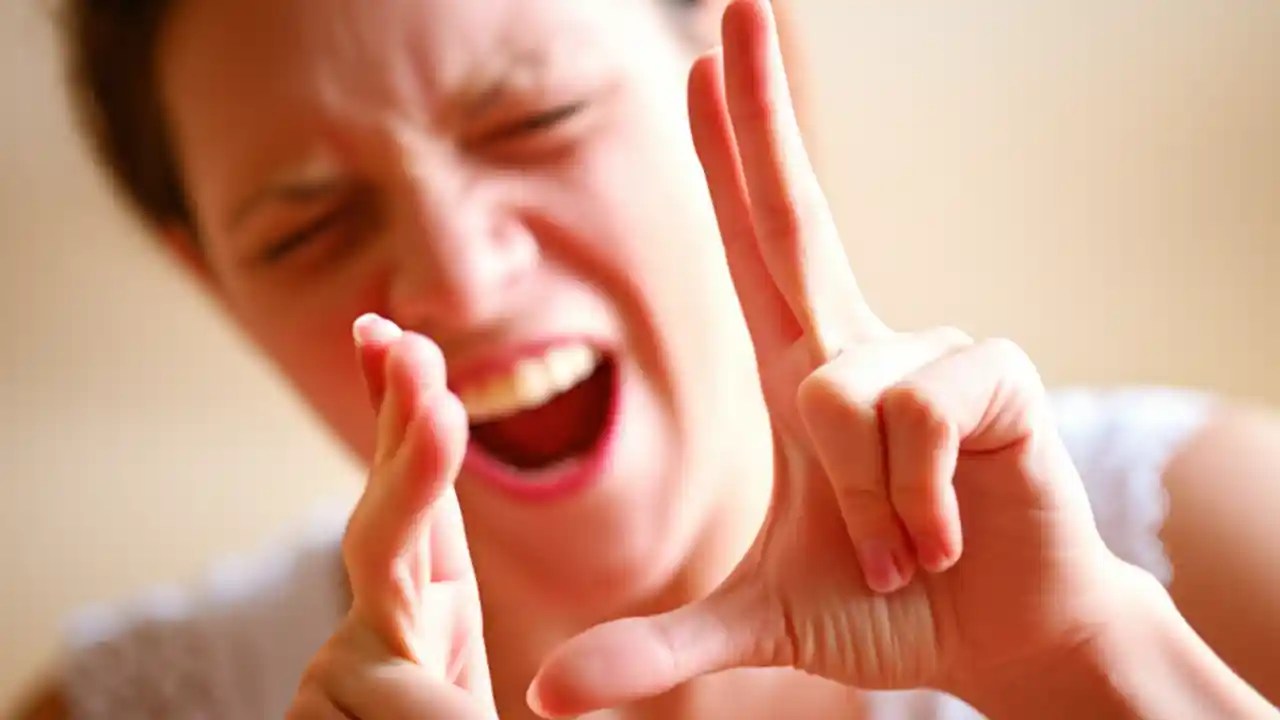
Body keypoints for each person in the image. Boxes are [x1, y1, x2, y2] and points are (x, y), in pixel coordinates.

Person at [14, 0, 1280, 717]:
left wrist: (1110, 681)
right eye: (306, 228)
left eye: (533, 119)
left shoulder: (1216, 537)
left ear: (749, 73)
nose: (460, 276)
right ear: (216, 285)